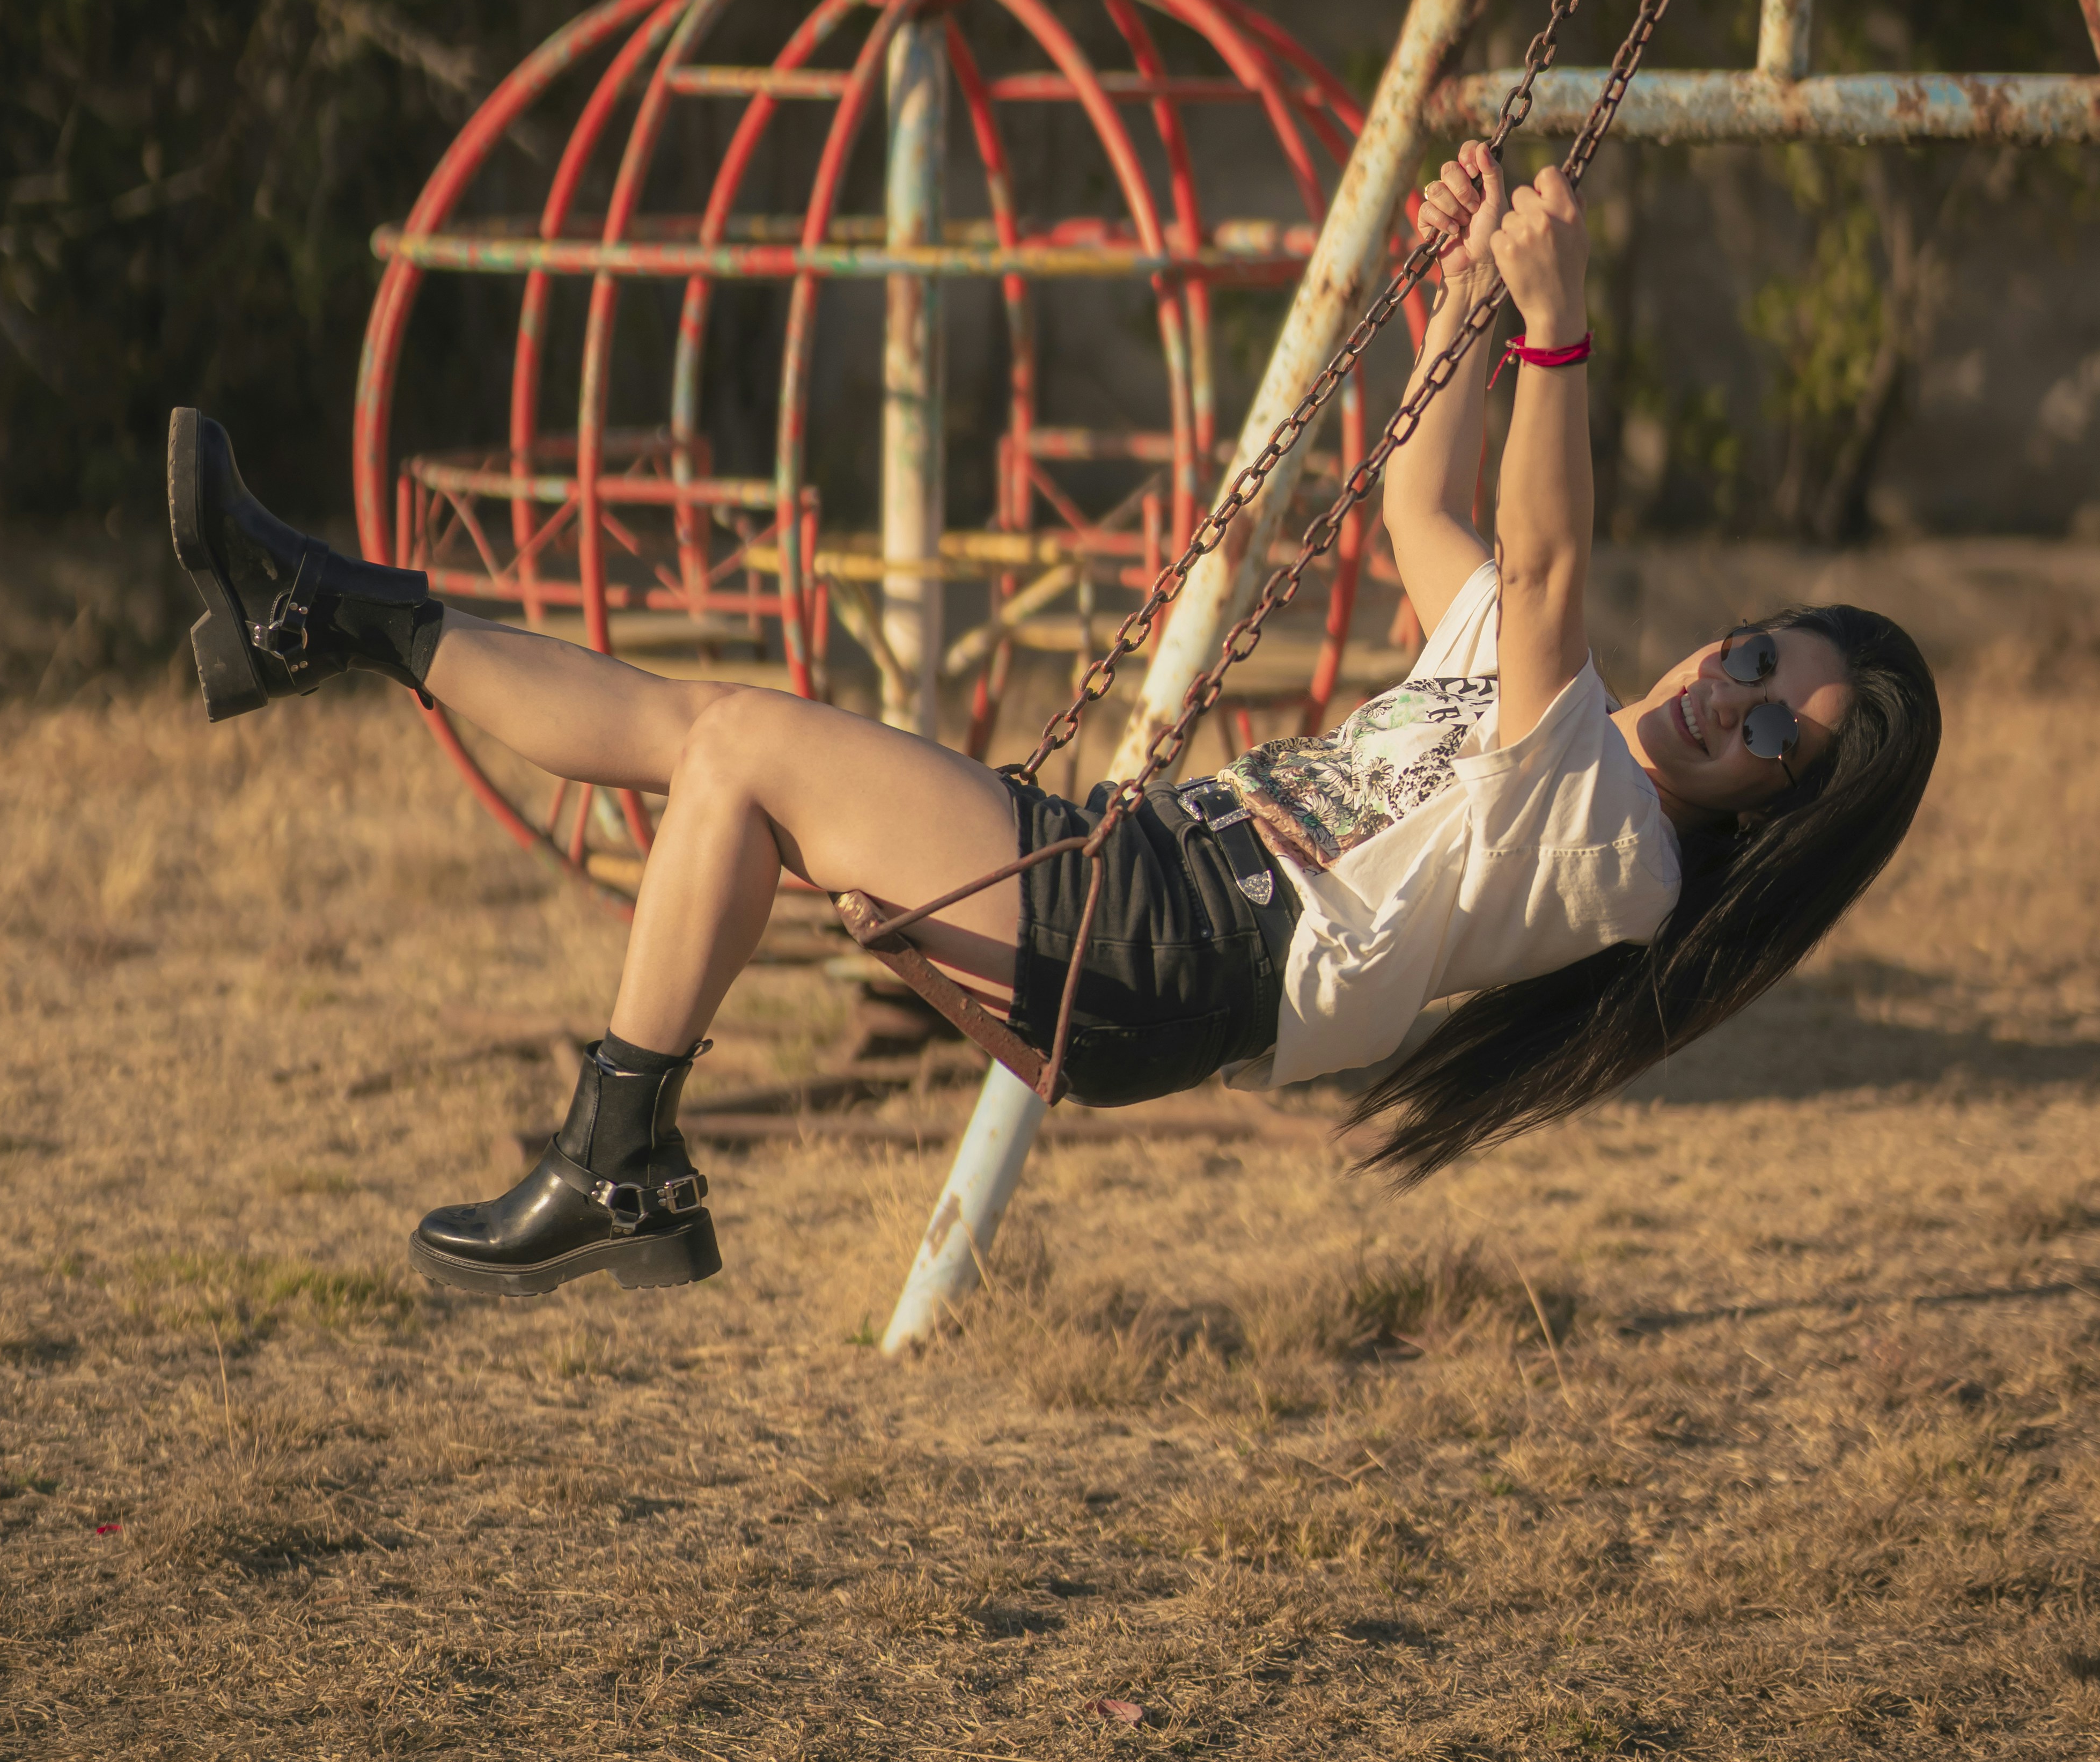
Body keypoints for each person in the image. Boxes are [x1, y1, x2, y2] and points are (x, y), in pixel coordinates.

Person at [167, 144, 1939, 1301]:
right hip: (1150, 881)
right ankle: (321, 615)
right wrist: (1466, 302)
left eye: (1779, 731)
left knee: (745, 747)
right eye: (1766, 655)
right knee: (710, 741)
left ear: (1766, 813)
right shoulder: (1540, 709)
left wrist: (1558, 327)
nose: (1742, 694)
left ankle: (615, 1153)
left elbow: (1545, 563)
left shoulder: (1619, 850)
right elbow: (1426, 509)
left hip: (1186, 946)